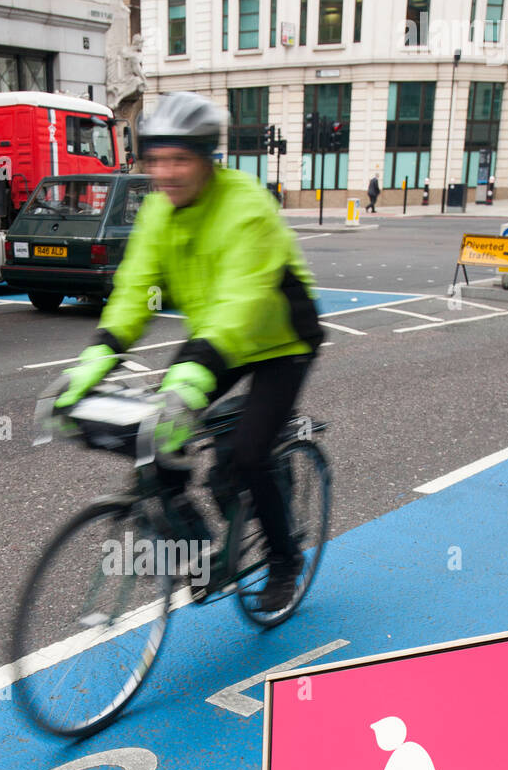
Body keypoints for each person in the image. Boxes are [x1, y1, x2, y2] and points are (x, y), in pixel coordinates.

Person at [51, 91, 324, 613]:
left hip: (280, 340)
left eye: (180, 159)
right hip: (216, 338)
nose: (167, 173)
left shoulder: (246, 208)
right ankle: (198, 548)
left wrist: (188, 385)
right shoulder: (158, 210)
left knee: (247, 455)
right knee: (156, 438)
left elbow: (239, 305)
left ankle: (284, 559)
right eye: (156, 160)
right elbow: (135, 291)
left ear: (207, 159)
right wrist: (91, 364)